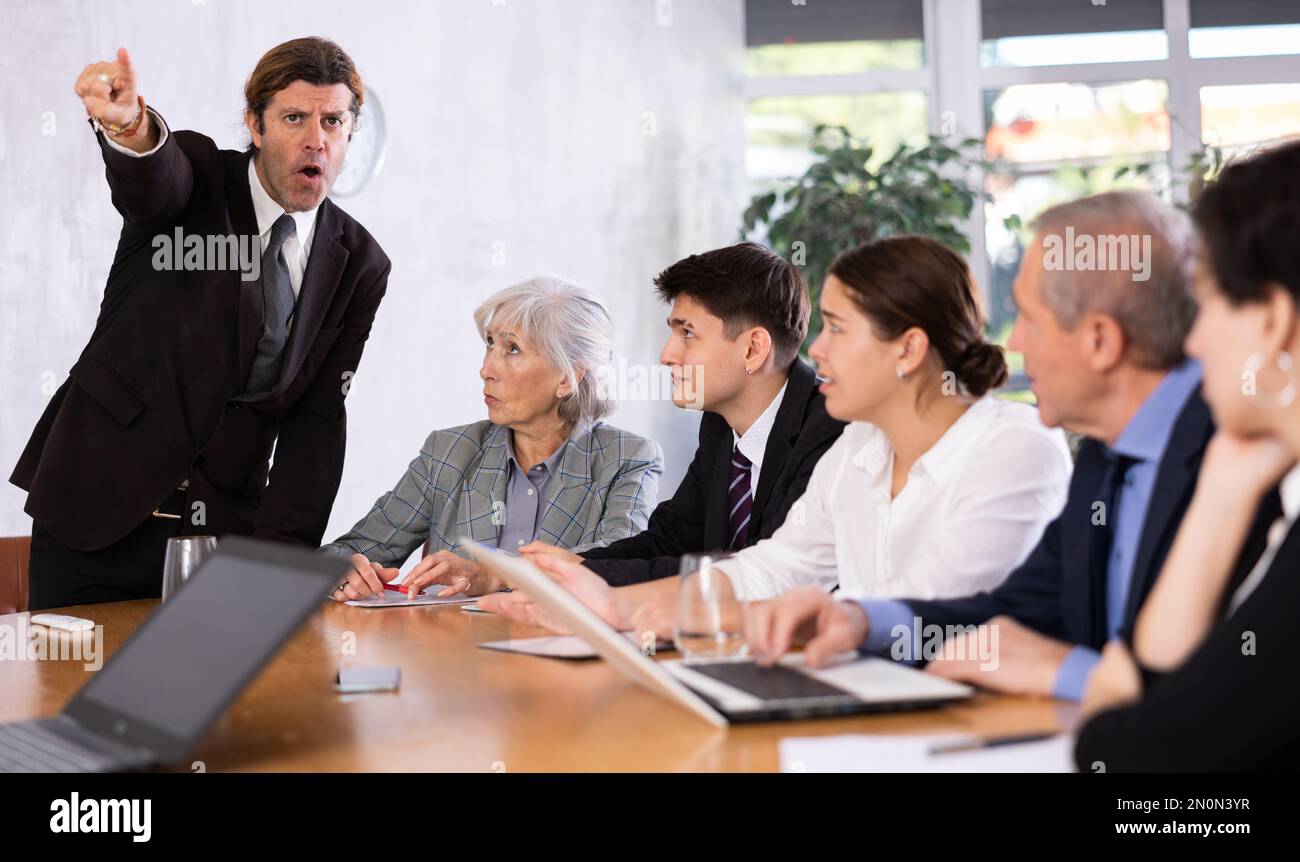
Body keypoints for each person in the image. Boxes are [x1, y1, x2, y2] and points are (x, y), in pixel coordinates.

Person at [741, 191, 1215, 703]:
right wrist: (861, 620)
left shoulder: (1231, 456)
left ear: (1099, 341)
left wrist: (1076, 673)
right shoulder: (1108, 455)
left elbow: (1243, 693)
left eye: (1029, 319)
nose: (1014, 344)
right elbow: (1023, 607)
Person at [482, 235, 1072, 633]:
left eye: (838, 328)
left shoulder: (1017, 446)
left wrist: (628, 608)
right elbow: (771, 569)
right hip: (869, 702)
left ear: (908, 349)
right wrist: (607, 603)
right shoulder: (861, 450)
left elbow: (920, 614)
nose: (816, 349)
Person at [14, 39, 391, 610]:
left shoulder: (360, 263)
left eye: (333, 121)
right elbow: (153, 179)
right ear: (255, 125)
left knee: (211, 698)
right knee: (75, 692)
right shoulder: (199, 180)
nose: (316, 138)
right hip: (96, 516)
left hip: (223, 539)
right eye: (294, 117)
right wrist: (130, 126)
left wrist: (280, 562)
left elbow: (316, 421)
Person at [1076, 140, 1300, 771]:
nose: (1193, 342)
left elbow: (1137, 777)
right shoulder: (1266, 478)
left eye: (1207, 304)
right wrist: (1220, 497)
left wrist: (1106, 714)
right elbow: (1177, 703)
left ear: (1273, 321)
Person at [521, 242, 845, 585]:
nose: (666, 354)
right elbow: (671, 542)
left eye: (687, 333)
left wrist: (583, 573)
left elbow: (760, 571)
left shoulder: (831, 428)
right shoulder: (719, 426)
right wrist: (560, 566)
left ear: (752, 350)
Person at [322, 277, 662, 602]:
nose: (486, 368)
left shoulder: (628, 458)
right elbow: (349, 551)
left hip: (563, 655)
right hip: (454, 655)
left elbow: (616, 569)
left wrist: (499, 575)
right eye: (490, 344)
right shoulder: (449, 451)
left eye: (512, 349)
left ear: (567, 379)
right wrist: (343, 570)